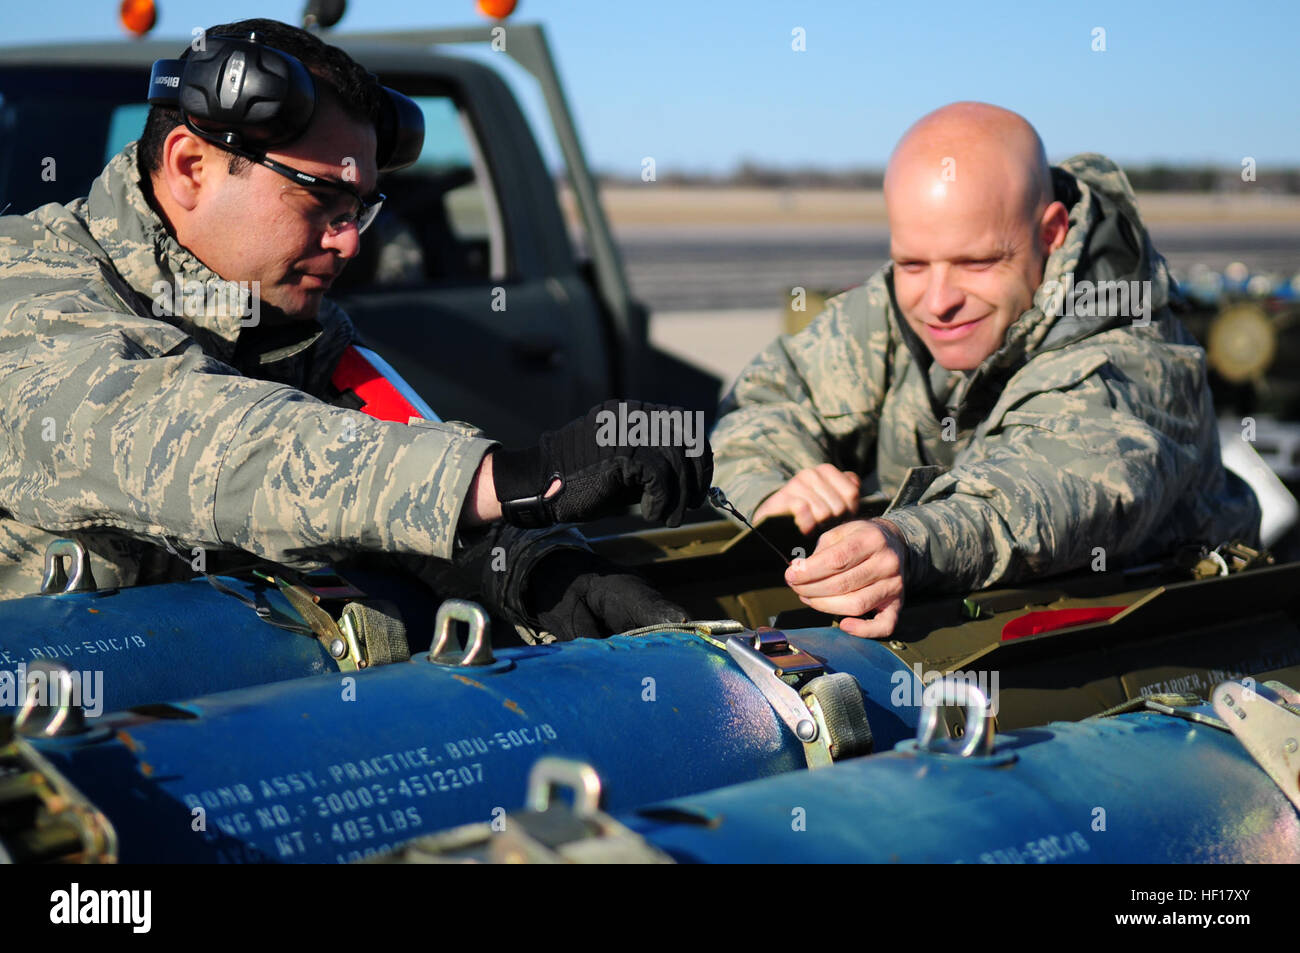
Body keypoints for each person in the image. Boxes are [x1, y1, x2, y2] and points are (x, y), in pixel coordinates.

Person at [0, 19, 711, 641]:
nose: (350, 243)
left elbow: (386, 451)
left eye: (362, 209)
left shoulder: (284, 324)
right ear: (191, 167)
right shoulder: (29, 291)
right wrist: (523, 473)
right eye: (323, 201)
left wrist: (530, 567)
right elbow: (206, 440)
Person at [711, 102, 1260, 639]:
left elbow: (1055, 489)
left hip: (1153, 651)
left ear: (1052, 233)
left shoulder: (1130, 349)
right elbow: (769, 399)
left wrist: (911, 543)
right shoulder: (897, 303)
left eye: (977, 262)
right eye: (912, 263)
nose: (938, 301)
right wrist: (771, 490)